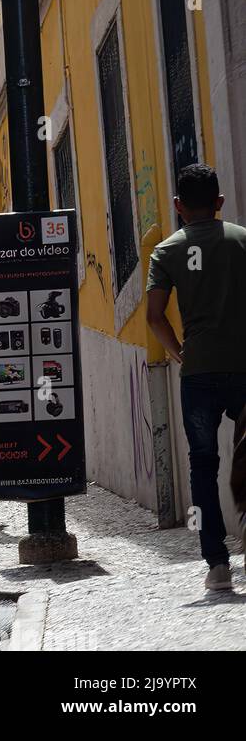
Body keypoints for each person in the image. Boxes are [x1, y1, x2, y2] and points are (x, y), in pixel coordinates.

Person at [146, 162, 246, 592]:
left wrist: (180, 353)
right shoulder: (242, 240)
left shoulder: (166, 251)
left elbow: (154, 318)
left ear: (177, 206)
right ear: (219, 203)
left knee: (202, 466)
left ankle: (217, 565)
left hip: (199, 372)